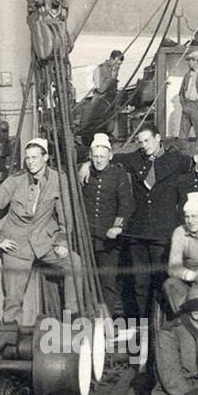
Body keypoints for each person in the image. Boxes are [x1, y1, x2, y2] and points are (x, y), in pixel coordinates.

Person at [0, 137, 76, 324]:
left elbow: (65, 214)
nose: (31, 162)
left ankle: (72, 317)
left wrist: (62, 242)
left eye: (35, 157)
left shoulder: (58, 179)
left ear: (45, 157)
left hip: (44, 241)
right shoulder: (15, 181)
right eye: (28, 158)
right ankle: (11, 336)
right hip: (17, 245)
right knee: (13, 300)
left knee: (75, 264)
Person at [115, 124, 193, 320]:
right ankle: (144, 326)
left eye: (147, 140)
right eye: (140, 142)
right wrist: (86, 165)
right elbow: (111, 157)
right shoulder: (135, 159)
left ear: (158, 138)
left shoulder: (176, 161)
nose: (144, 145)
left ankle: (161, 324)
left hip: (162, 234)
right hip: (137, 233)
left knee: (162, 281)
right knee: (140, 283)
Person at [82, 132, 134, 313]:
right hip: (86, 236)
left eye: (102, 157)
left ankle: (107, 322)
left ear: (110, 156)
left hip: (108, 238)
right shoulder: (85, 173)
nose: (98, 161)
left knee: (108, 281)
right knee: (85, 280)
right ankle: (87, 319)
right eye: (95, 157)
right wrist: (84, 165)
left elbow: (126, 203)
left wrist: (117, 226)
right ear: (90, 156)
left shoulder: (118, 174)